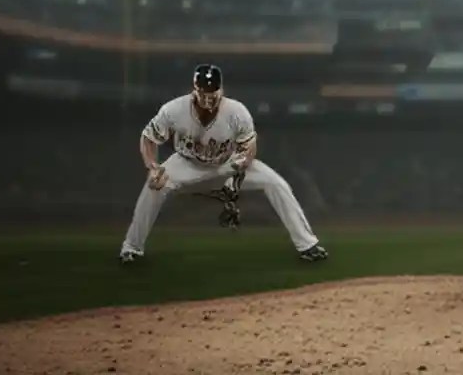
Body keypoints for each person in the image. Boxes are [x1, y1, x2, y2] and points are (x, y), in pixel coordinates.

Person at [118, 64, 328, 263]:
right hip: (186, 164)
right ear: (194, 89)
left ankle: (307, 246)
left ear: (221, 89)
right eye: (203, 91)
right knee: (153, 186)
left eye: (213, 91)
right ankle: (132, 248)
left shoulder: (236, 111)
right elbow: (149, 138)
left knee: (277, 184)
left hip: (228, 164)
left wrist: (243, 163)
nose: (208, 96)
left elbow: (249, 145)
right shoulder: (174, 109)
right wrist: (152, 166)